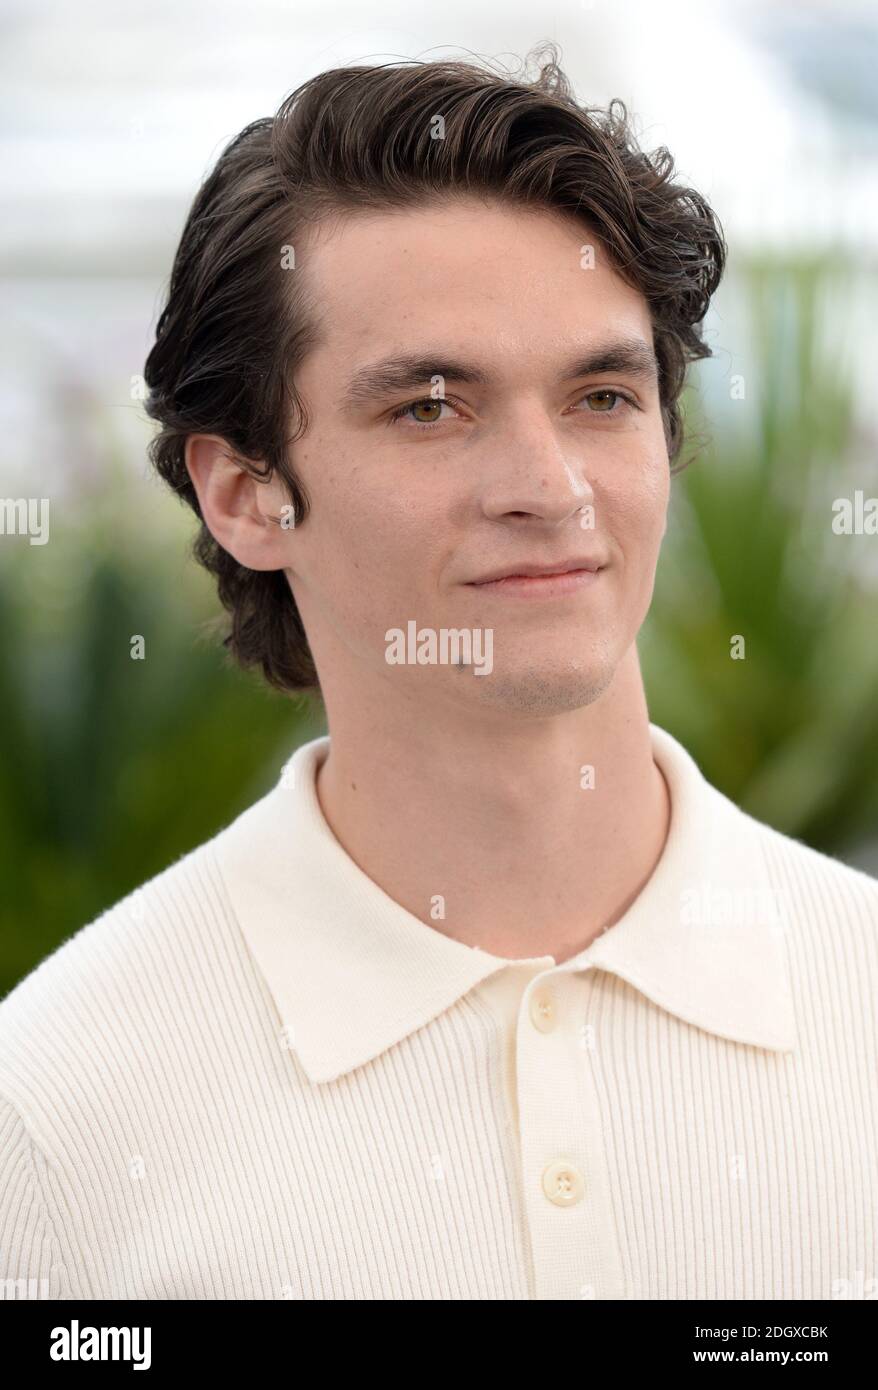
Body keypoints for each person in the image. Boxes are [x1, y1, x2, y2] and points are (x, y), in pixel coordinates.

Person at [1, 45, 875, 1302]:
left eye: (600, 396)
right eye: (428, 406)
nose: (548, 488)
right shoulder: (49, 1121)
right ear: (246, 493)